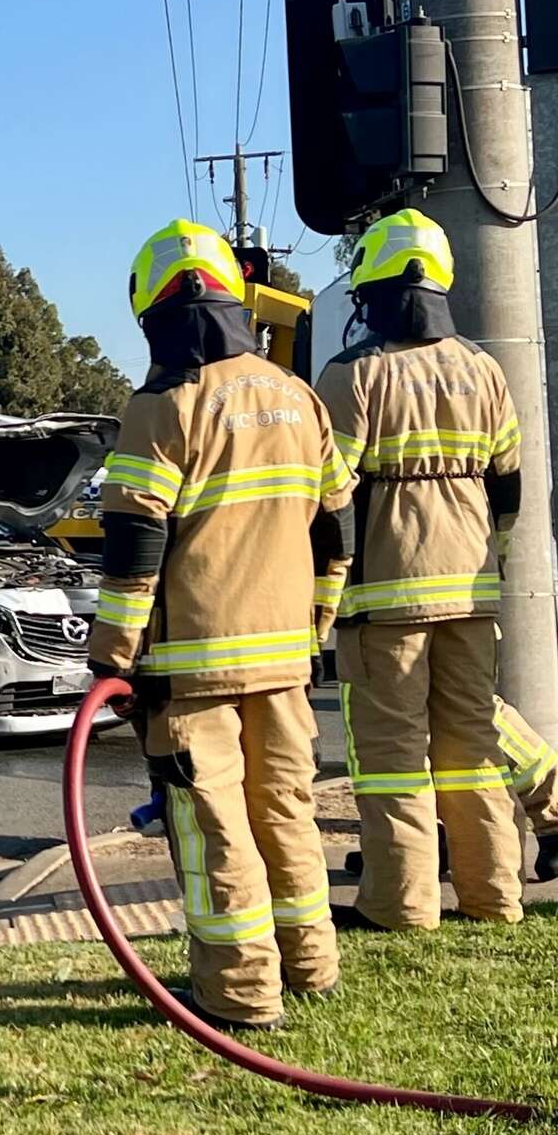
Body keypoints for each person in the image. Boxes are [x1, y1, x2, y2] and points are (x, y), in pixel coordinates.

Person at [89, 219, 355, 1031]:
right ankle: (309, 961)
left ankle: (238, 989)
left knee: (215, 825)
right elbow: (335, 529)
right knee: (286, 808)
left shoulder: (164, 407)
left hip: (192, 671)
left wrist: (114, 658)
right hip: (283, 662)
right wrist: (315, 623)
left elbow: (136, 545)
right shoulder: (298, 398)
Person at [316, 209, 547, 928]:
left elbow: (330, 502)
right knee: (473, 751)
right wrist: (494, 569)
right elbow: (508, 487)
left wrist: (324, 599)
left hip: (386, 605)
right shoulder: (485, 370)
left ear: (376, 290)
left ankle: (401, 906)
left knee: (393, 764)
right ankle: (494, 898)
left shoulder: (355, 375)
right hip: (473, 597)